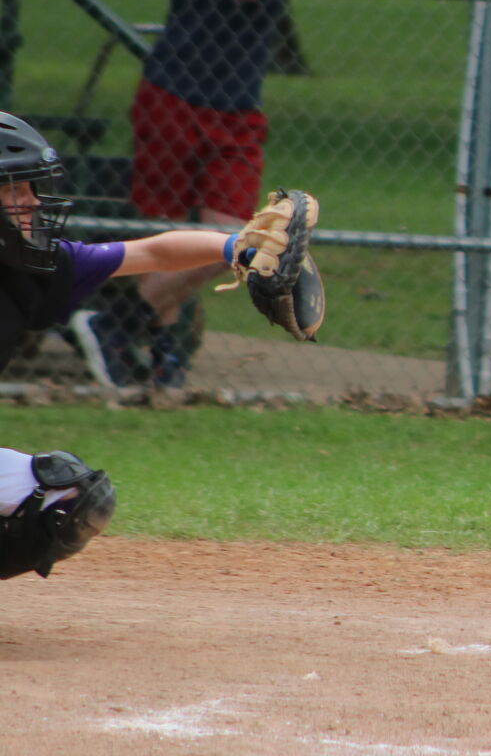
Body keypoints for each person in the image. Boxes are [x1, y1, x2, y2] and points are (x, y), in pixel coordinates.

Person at [74, 0, 369, 390]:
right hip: (174, 96)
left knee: (236, 239)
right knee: (167, 238)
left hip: (238, 109)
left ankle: (114, 323)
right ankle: (162, 350)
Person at [0, 114, 303, 580]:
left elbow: (152, 254)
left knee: (70, 496)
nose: (33, 202)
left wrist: (238, 250)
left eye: (31, 188)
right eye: (15, 189)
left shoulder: (34, 266)